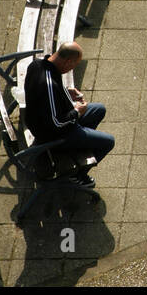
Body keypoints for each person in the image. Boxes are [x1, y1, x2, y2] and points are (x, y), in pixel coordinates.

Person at [23, 41, 114, 187]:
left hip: (51, 121)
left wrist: (66, 91)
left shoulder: (39, 64)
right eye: (74, 65)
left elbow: (49, 97)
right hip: (53, 135)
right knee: (108, 142)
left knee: (99, 109)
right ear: (67, 61)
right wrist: (77, 112)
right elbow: (56, 123)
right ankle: (75, 176)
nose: (72, 68)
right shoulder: (48, 85)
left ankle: (76, 148)